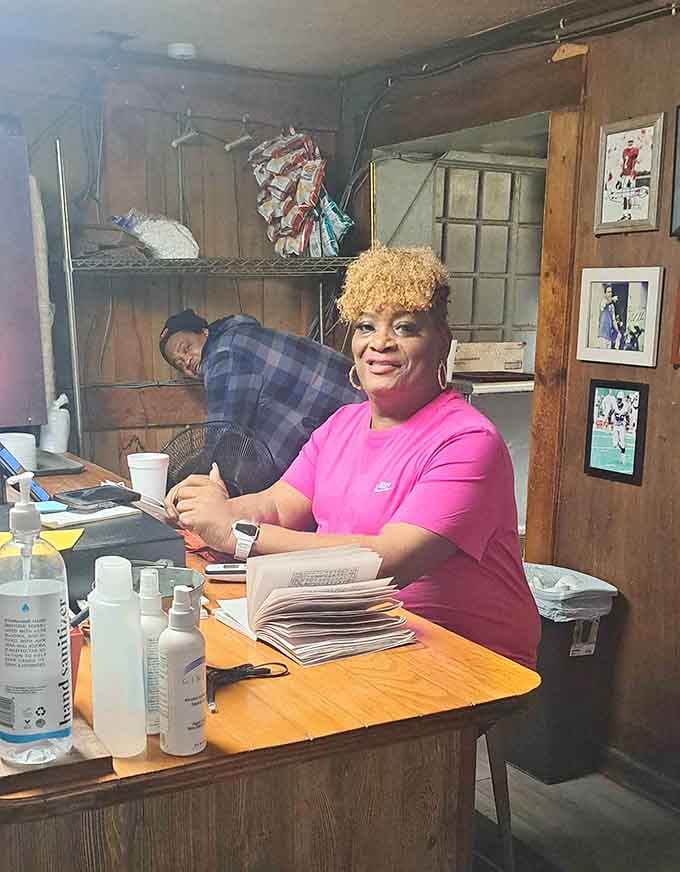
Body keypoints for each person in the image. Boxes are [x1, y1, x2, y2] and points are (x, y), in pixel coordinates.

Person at [166, 247, 540, 669]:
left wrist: (237, 534)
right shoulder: (342, 424)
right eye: (366, 326)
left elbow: (387, 561)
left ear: (441, 343)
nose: (380, 343)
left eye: (404, 327)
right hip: (359, 635)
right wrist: (206, 505)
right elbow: (276, 505)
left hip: (467, 660)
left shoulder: (468, 442)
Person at [159, 309, 363, 476]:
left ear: (204, 332)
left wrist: (190, 481)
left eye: (186, 348)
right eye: (179, 364)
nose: (186, 361)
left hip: (358, 423)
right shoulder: (240, 336)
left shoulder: (222, 355)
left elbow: (222, 436)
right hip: (364, 404)